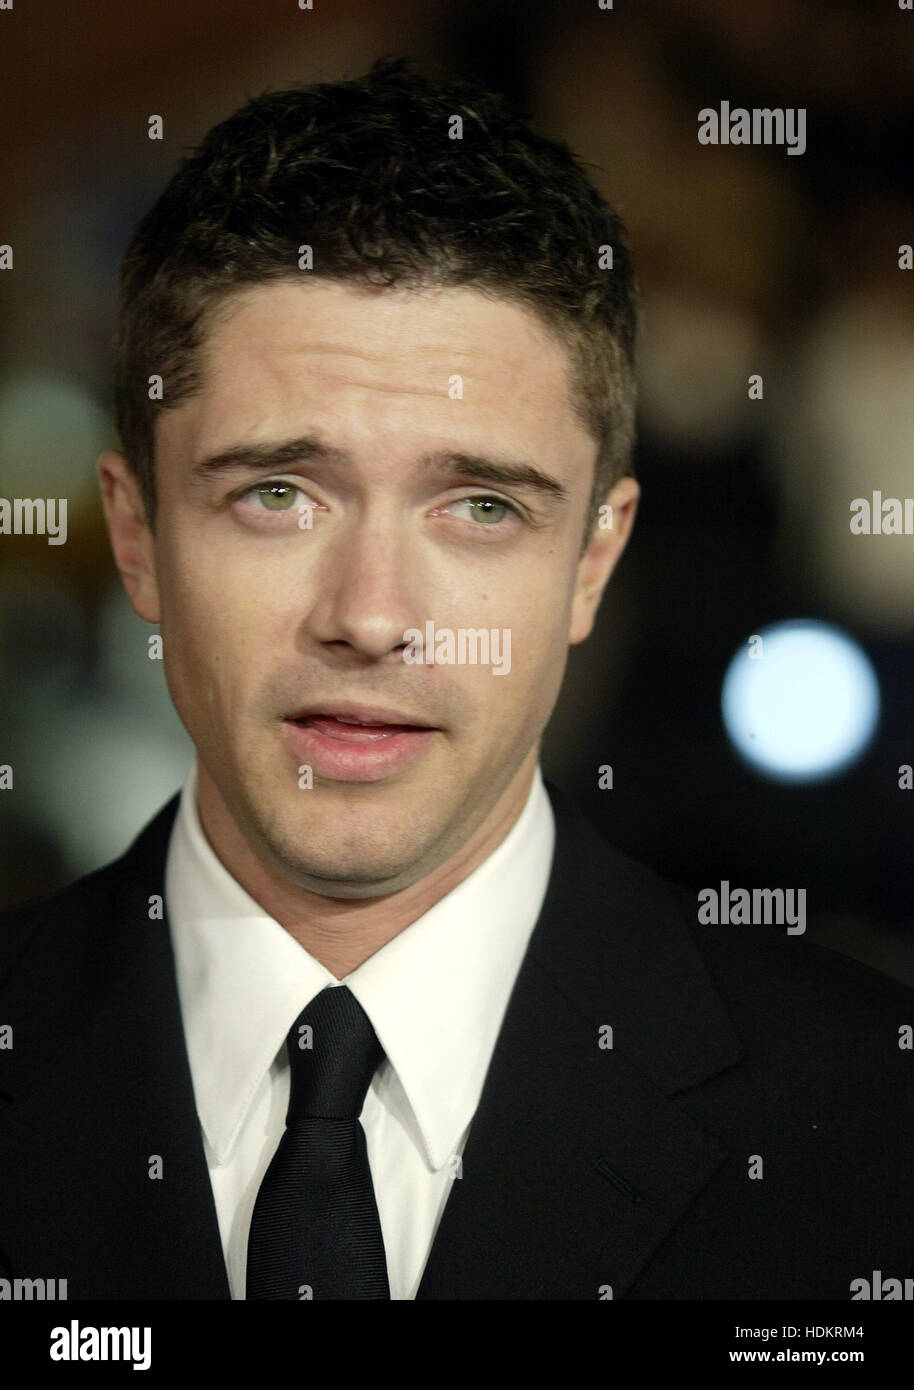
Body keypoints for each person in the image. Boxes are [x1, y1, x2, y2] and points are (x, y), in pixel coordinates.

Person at [0, 56, 910, 1302]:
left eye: (479, 506)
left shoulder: (872, 1128)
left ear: (595, 559)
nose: (372, 617)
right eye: (278, 493)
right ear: (137, 534)